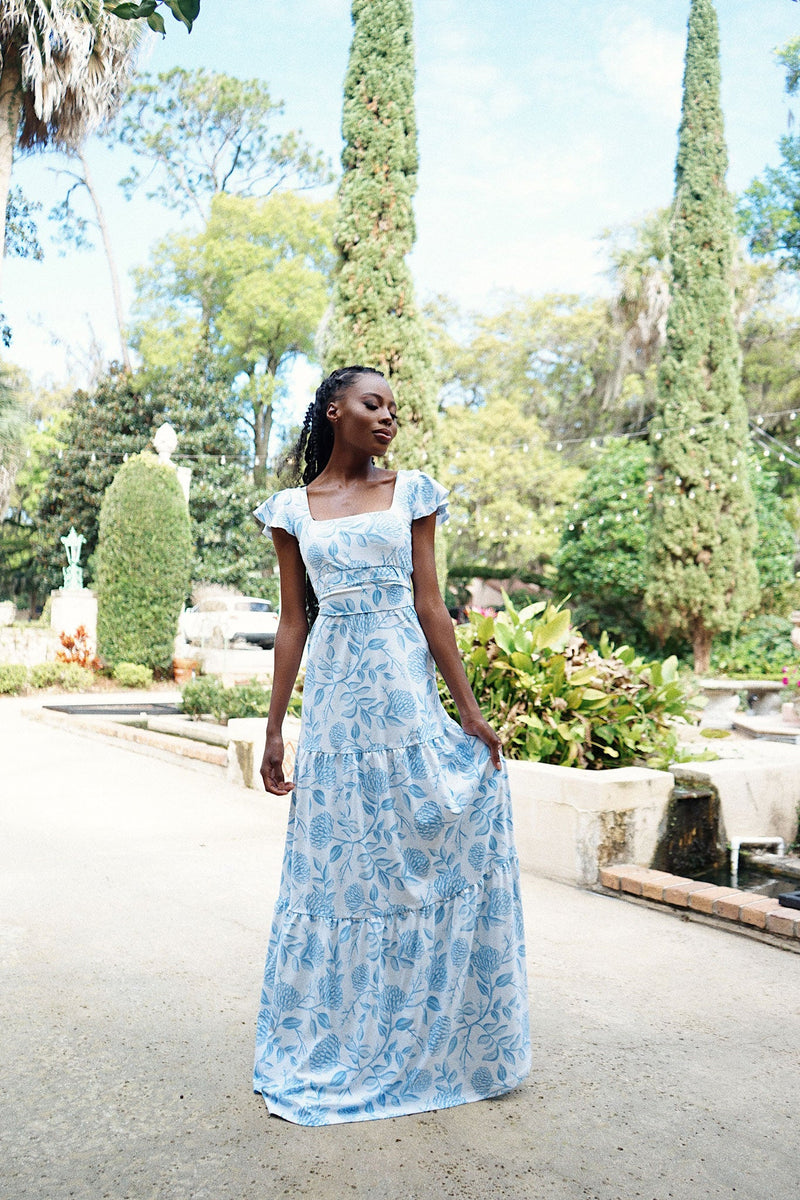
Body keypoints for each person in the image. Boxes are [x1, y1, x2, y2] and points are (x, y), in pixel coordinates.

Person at [252, 365, 531, 1126]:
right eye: (373, 405)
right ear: (334, 410)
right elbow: (292, 623)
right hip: (339, 719)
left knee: (417, 860)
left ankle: (439, 1037)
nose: (387, 420)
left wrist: (468, 711)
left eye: (394, 411)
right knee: (346, 878)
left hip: (406, 707)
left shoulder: (412, 492)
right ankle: (346, 1037)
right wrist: (275, 728)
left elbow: (431, 605)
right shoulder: (291, 511)